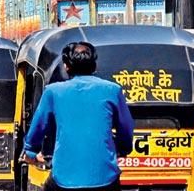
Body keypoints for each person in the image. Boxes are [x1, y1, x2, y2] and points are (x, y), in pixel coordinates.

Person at [22, 41, 134, 191]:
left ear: (66, 66)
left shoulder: (53, 92)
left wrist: (30, 152)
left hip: (64, 179)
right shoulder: (112, 90)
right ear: (94, 65)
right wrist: (123, 148)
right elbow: (126, 127)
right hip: (106, 177)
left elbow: (39, 127)